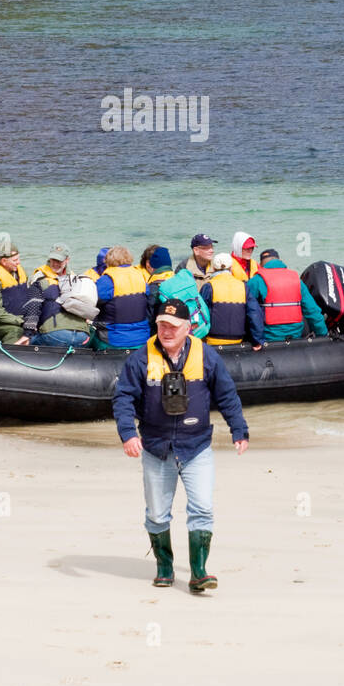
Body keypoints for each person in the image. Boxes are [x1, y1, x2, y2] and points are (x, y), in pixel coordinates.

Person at [112, 298, 249, 592]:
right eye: (162, 324)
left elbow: (227, 396)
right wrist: (128, 434)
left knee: (202, 508)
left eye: (173, 326)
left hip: (196, 446)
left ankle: (198, 571)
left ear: (188, 328)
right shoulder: (140, 359)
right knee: (157, 513)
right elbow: (122, 398)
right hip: (156, 447)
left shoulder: (208, 357)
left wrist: (239, 429)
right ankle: (164, 566)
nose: (167, 330)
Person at [246, 249, 328, 348]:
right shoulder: (297, 280)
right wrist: (323, 336)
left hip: (269, 338)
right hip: (295, 336)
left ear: (261, 264)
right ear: (279, 261)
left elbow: (246, 311)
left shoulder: (256, 281)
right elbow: (312, 312)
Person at [19, 243, 92, 347]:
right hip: (83, 337)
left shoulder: (39, 280)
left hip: (55, 335)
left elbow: (33, 307)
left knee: (31, 340)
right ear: (49, 259)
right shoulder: (75, 279)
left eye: (59, 261)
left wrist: (27, 335)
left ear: (67, 260)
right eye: (53, 260)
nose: (55, 264)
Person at [95, 245, 150, 349]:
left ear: (108, 260)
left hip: (115, 340)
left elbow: (93, 302)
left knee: (91, 335)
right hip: (142, 338)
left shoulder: (106, 280)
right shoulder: (141, 277)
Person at [200, 252, 248, 345]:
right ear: (231, 268)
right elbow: (254, 312)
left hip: (212, 339)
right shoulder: (243, 286)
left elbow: (201, 313)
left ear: (213, 268)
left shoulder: (208, 286)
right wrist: (257, 339)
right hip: (238, 339)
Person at [143, 246, 174, 326]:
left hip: (160, 330)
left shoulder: (153, 287)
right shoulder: (178, 279)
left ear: (150, 265)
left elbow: (148, 318)